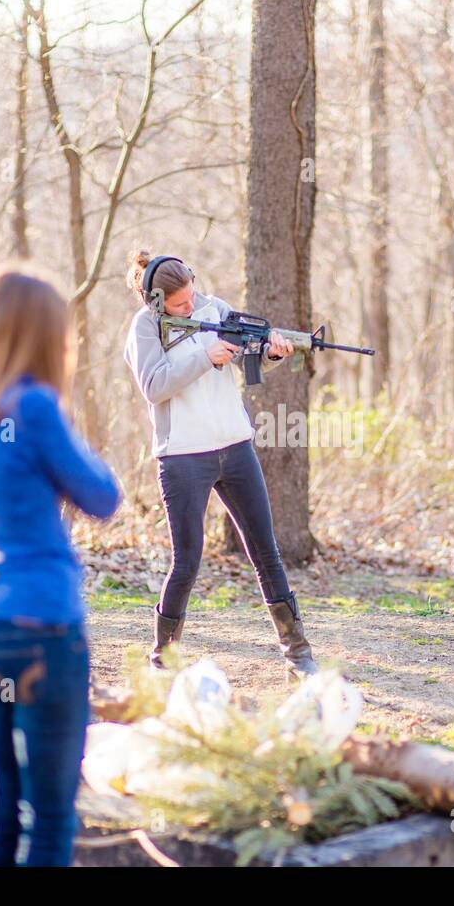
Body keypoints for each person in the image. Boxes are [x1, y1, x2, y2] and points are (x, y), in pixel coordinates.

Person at [0, 264, 120, 866]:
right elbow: (103, 497)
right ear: (45, 334)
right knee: (51, 816)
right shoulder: (36, 407)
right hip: (42, 627)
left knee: (4, 811)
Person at [122, 250, 319, 679]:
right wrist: (205, 357)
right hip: (182, 456)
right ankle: (163, 661)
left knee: (266, 552)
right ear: (156, 301)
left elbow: (251, 354)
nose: (190, 306)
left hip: (235, 446)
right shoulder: (144, 328)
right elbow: (154, 386)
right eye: (179, 305)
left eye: (191, 296)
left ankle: (298, 656)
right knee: (187, 561)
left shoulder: (215, 309)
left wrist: (272, 353)